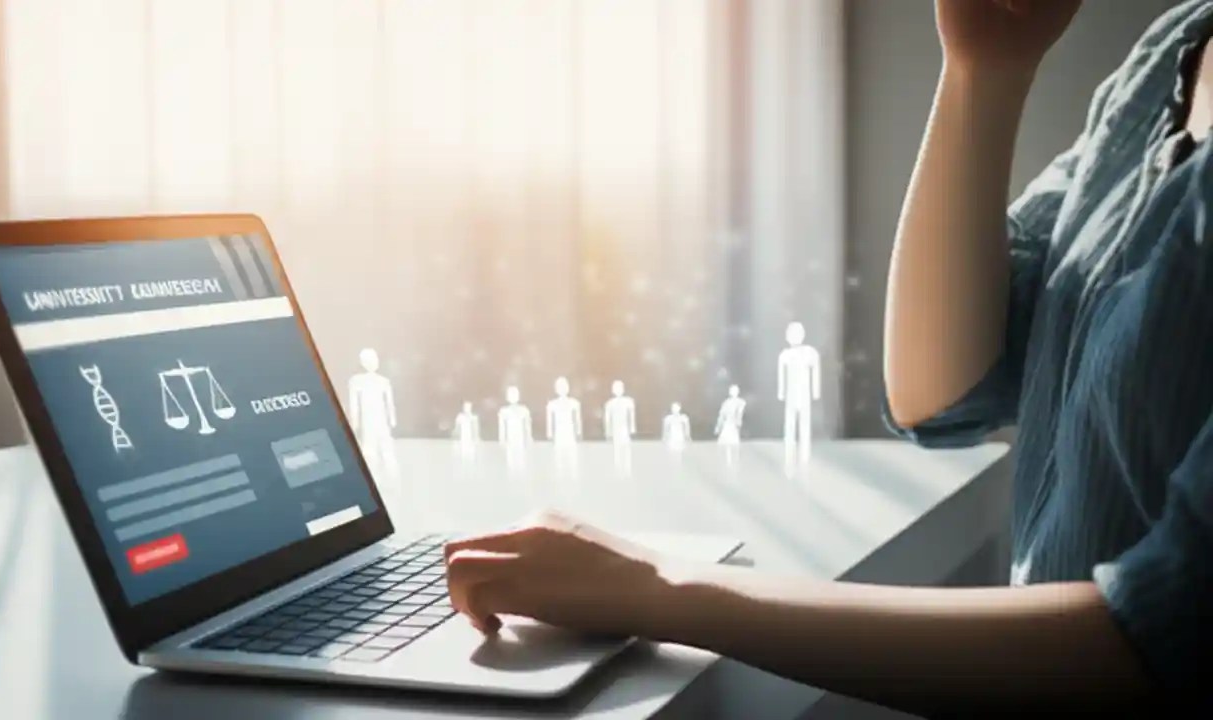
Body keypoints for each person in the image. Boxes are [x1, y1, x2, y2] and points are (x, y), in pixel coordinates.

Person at [445, 0, 1213, 713]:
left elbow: (1151, 645)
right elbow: (943, 389)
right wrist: (985, 66)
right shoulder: (1171, 54)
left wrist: (658, 588)